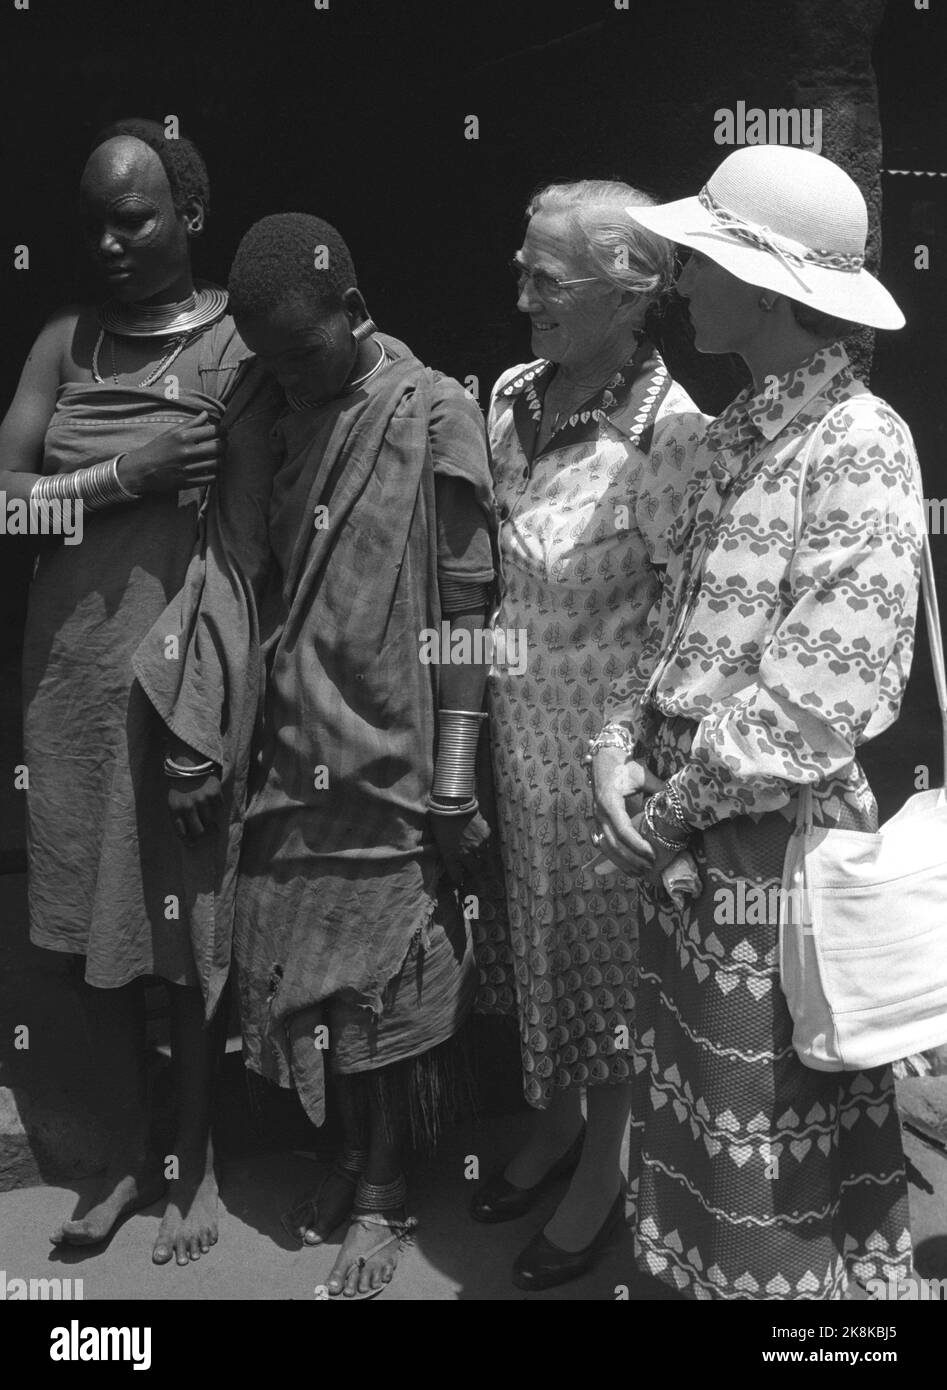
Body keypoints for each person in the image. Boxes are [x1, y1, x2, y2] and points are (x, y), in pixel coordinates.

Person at [590, 145, 922, 1300]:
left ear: (771, 290)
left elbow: (813, 705)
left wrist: (667, 810)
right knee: (702, 1144)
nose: (677, 279)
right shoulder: (735, 435)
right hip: (698, 853)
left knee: (775, 1166)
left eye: (703, 257)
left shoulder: (857, 443)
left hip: (768, 863)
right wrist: (617, 749)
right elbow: (677, 636)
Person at [0, 118, 268, 1266]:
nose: (110, 242)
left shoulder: (238, 352)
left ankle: (190, 1164)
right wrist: (122, 477)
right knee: (85, 925)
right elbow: (9, 506)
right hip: (68, 681)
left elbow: (256, 542)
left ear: (189, 220)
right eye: (96, 221)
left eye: (137, 218)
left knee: (184, 927)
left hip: (181, 685)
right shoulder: (66, 341)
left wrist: (219, 706)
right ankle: (115, 1158)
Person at [216, 213, 496, 1299]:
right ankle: (343, 1159)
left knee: (385, 985)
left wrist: (453, 780)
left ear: (359, 314)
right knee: (305, 968)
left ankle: (385, 1192)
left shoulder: (432, 414)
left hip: (400, 754)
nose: (286, 379)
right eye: (269, 363)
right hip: (294, 748)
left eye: (303, 355)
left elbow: (469, 607)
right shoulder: (272, 414)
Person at [469, 180, 708, 1291]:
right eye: (521, 268)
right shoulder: (510, 393)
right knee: (535, 951)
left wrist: (634, 753)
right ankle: (555, 1120)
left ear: (632, 292)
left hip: (604, 761)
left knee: (606, 974)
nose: (520, 295)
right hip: (512, 746)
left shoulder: (673, 435)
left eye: (545, 280)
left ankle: (603, 1164)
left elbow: (680, 619)